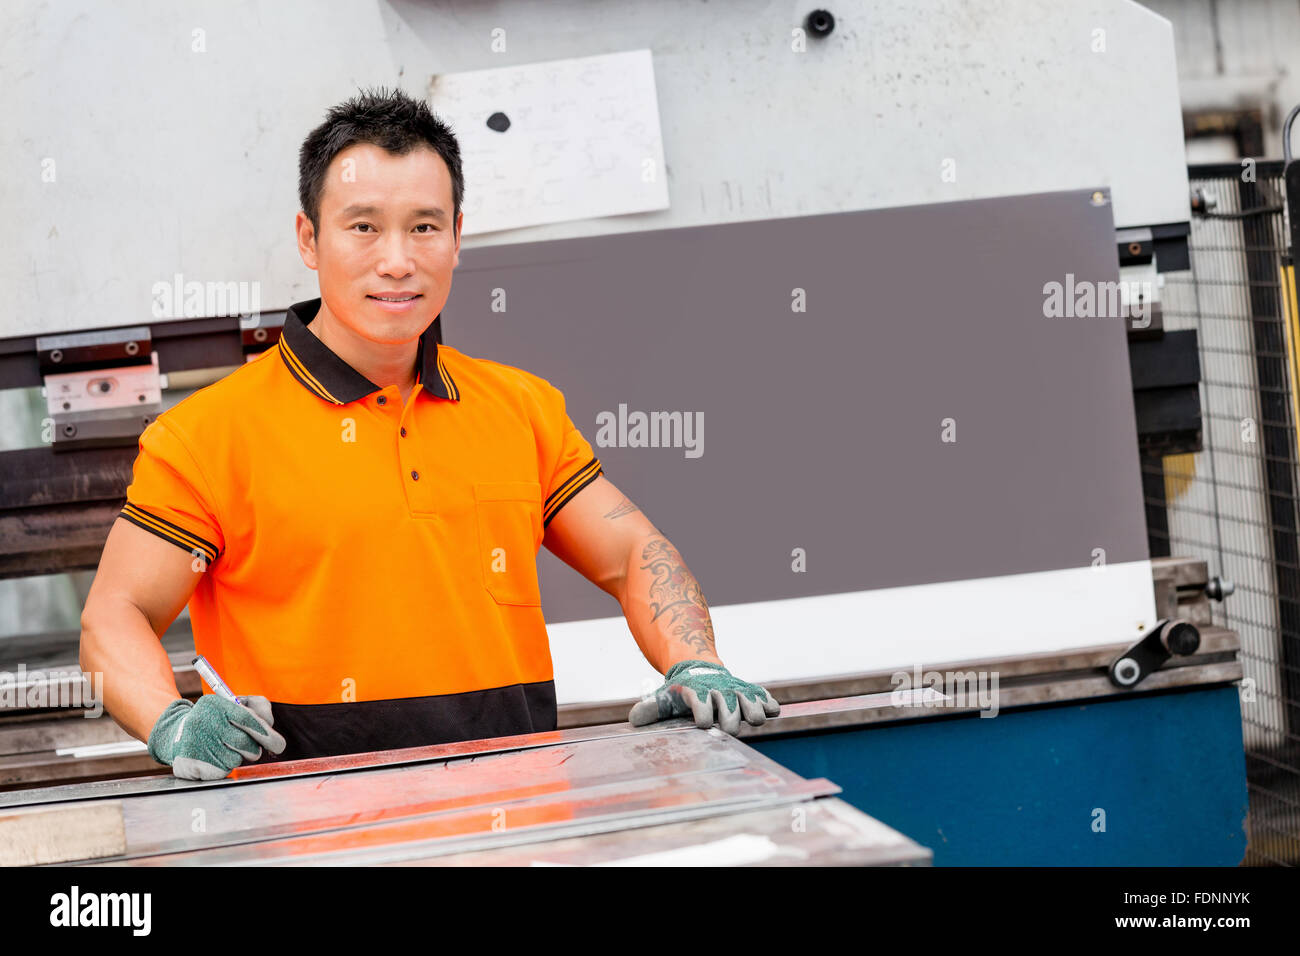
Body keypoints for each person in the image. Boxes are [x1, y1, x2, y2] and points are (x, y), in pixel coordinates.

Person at [79, 87, 779, 780]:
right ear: (307, 239)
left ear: (456, 237)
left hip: (515, 827)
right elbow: (115, 615)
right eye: (363, 227)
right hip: (304, 842)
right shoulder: (207, 435)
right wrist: (171, 721)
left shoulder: (521, 407)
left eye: (423, 226)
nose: (397, 261)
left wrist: (694, 660)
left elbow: (631, 551)